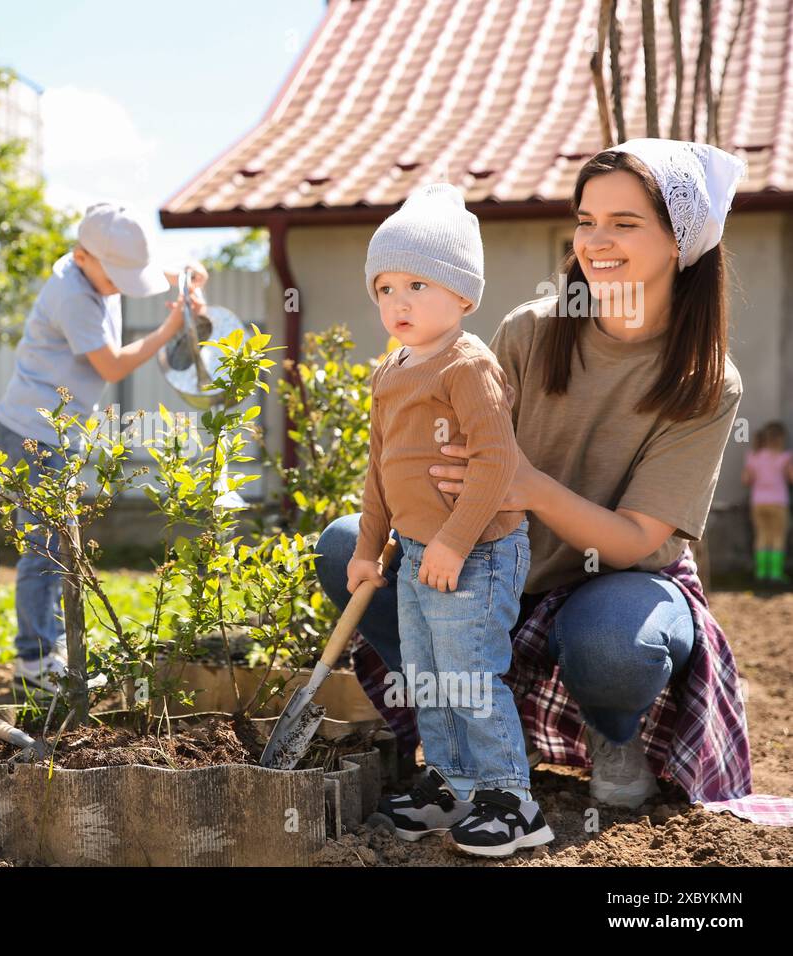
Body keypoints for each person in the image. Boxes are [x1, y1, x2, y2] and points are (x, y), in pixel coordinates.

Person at [315, 139, 752, 822]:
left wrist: (529, 485)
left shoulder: (705, 382)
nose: (596, 241)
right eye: (586, 220)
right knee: (347, 546)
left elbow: (637, 539)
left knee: (615, 644)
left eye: (625, 223)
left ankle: (614, 736)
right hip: (504, 560)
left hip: (618, 579)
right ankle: (465, 736)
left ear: (679, 243)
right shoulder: (530, 332)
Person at [349, 183, 552, 857]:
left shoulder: (469, 366)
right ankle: (450, 782)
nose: (397, 303)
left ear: (463, 296)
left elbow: (497, 463)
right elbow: (379, 471)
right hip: (414, 554)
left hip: (479, 553)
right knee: (428, 673)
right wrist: (368, 550)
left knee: (469, 672)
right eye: (384, 289)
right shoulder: (390, 374)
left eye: (416, 284)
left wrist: (455, 540)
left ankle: (510, 798)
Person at [0, 202, 207, 692]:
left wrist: (192, 282)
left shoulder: (95, 271)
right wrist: (169, 329)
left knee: (59, 545)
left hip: (56, 431)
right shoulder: (72, 295)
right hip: (32, 432)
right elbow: (111, 366)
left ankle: (50, 649)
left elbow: (185, 271)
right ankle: (34, 660)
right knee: (46, 547)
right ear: (82, 255)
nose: (119, 286)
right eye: (116, 277)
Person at [741, 421, 792, 585]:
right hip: (778, 502)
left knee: (762, 536)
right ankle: (775, 574)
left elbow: (746, 480)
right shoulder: (785, 457)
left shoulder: (753, 456)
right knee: (777, 537)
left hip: (758, 502)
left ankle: (761, 573)